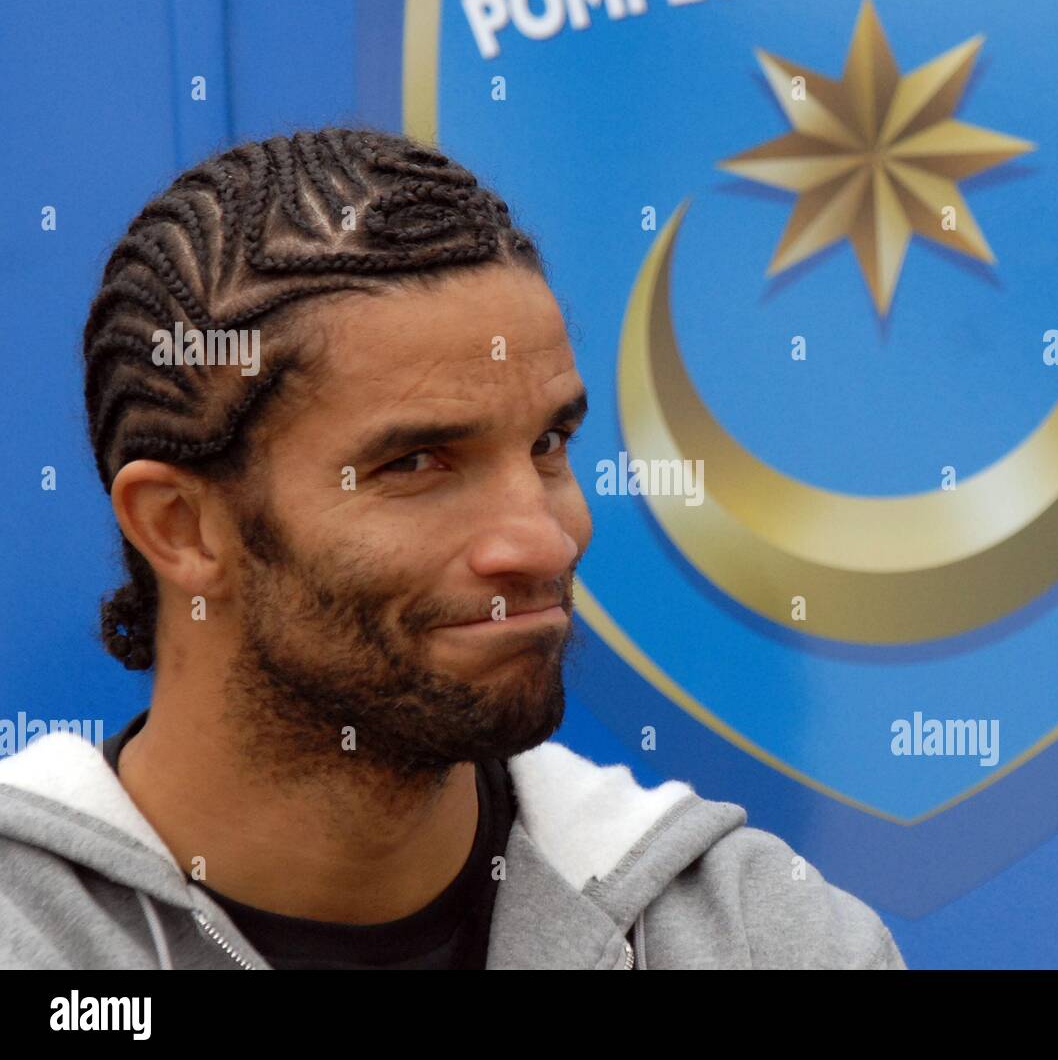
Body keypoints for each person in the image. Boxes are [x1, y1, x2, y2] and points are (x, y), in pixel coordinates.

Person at [0, 128, 906, 970]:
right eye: (419, 462)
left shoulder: (754, 935)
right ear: (181, 527)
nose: (543, 539)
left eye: (548, 445)